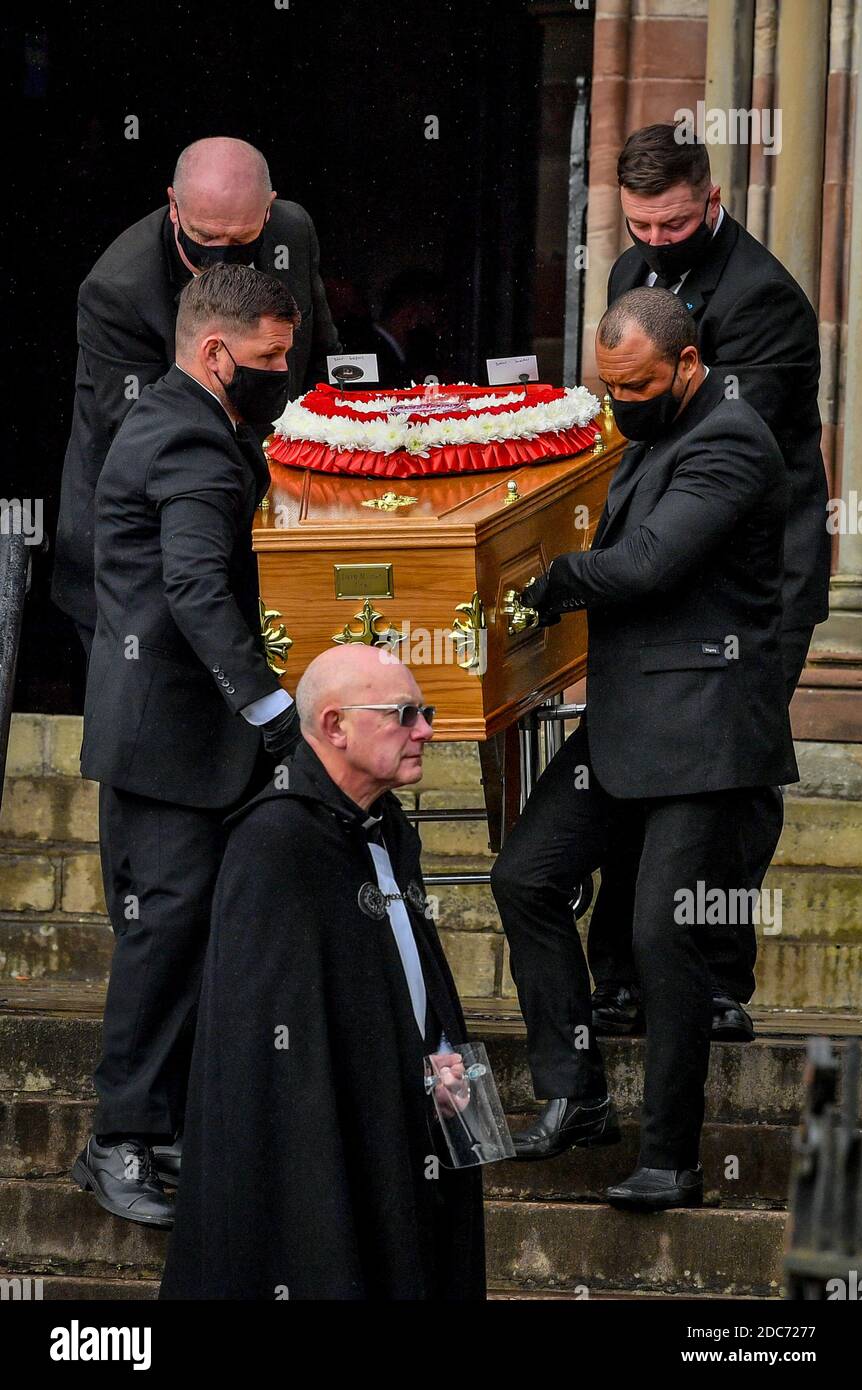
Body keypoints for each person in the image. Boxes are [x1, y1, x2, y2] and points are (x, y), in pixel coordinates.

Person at [490, 288, 797, 1211]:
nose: (620, 400)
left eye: (637, 384)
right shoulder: (654, 435)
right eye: (609, 385)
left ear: (689, 367)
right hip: (627, 720)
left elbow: (653, 561)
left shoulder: (730, 440)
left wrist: (548, 580)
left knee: (666, 936)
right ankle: (577, 1093)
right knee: (525, 877)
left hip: (705, 729)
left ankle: (672, 1156)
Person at [71, 264, 303, 1229]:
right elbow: (198, 591)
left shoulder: (176, 421)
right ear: (218, 352)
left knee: (180, 931)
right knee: (165, 936)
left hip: (156, 736)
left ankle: (155, 1128)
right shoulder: (195, 446)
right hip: (175, 744)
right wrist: (272, 712)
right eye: (271, 356)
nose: (283, 371)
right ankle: (119, 1138)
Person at [590, 123, 830, 1042]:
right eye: (640, 225)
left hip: (755, 580)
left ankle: (717, 979)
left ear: (712, 196)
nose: (655, 240)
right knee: (638, 765)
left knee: (730, 788)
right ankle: (624, 976)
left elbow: (721, 447)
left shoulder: (765, 298)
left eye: (674, 222)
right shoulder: (629, 274)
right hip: (664, 569)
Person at [159, 644, 486, 1300]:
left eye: (425, 711)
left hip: (401, 1140)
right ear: (335, 727)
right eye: (403, 714)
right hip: (318, 1162)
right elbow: (275, 1056)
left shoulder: (385, 827)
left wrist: (438, 1054)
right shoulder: (276, 841)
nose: (425, 730)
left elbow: (403, 973)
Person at [53, 136, 340, 653]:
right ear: (174, 206)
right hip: (147, 547)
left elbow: (318, 361)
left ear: (269, 211)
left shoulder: (292, 232)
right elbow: (149, 438)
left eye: (242, 239)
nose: (220, 257)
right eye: (206, 236)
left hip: (269, 527)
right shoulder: (118, 289)